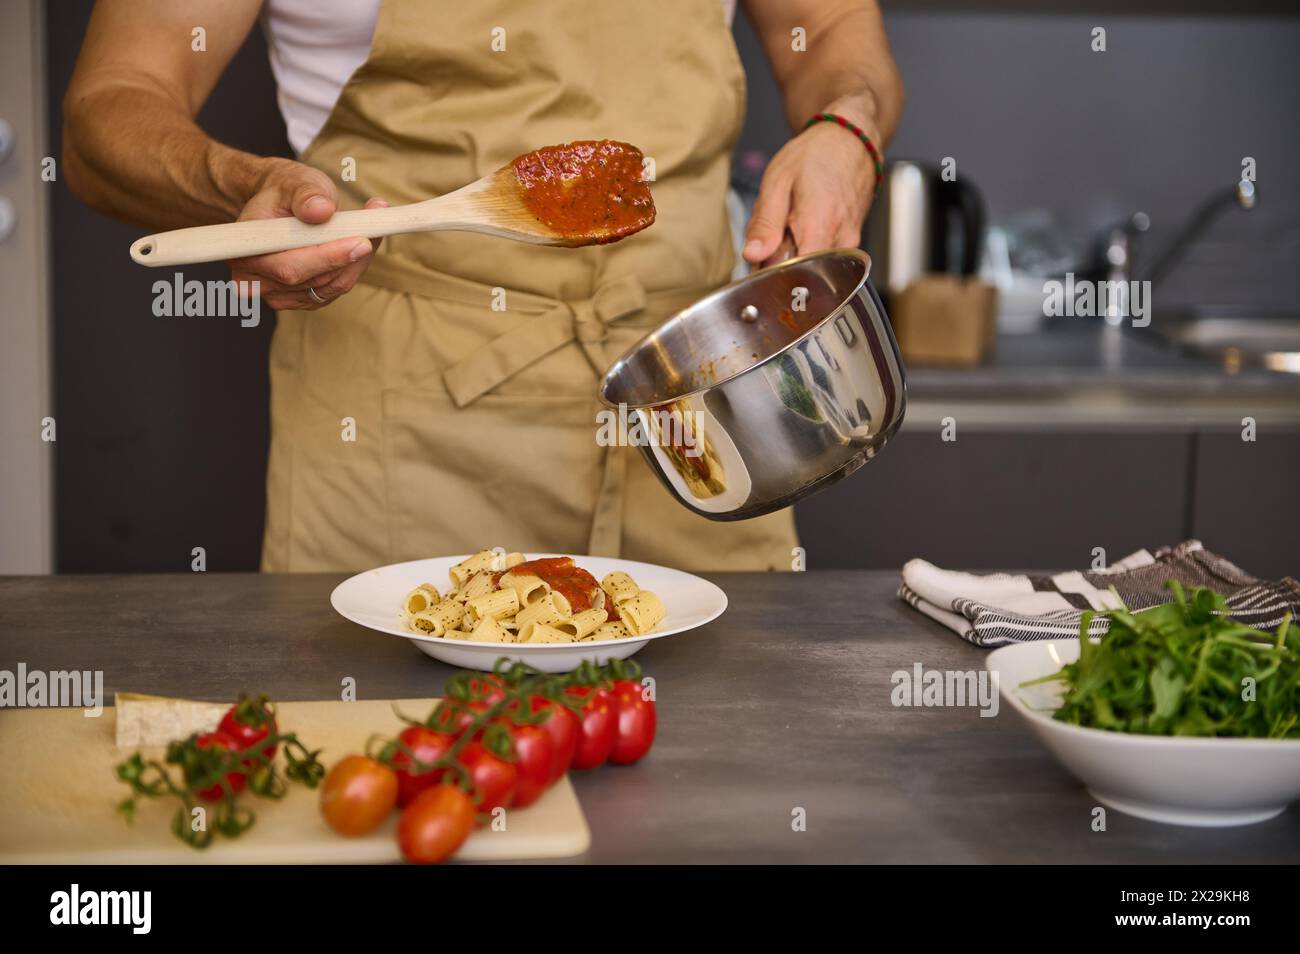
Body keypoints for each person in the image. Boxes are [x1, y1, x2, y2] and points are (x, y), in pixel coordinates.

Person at [64, 0, 902, 572]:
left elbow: (830, 30)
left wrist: (845, 128)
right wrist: (230, 185)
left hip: (698, 396)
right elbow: (111, 103)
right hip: (405, 428)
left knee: (722, 786)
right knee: (401, 777)